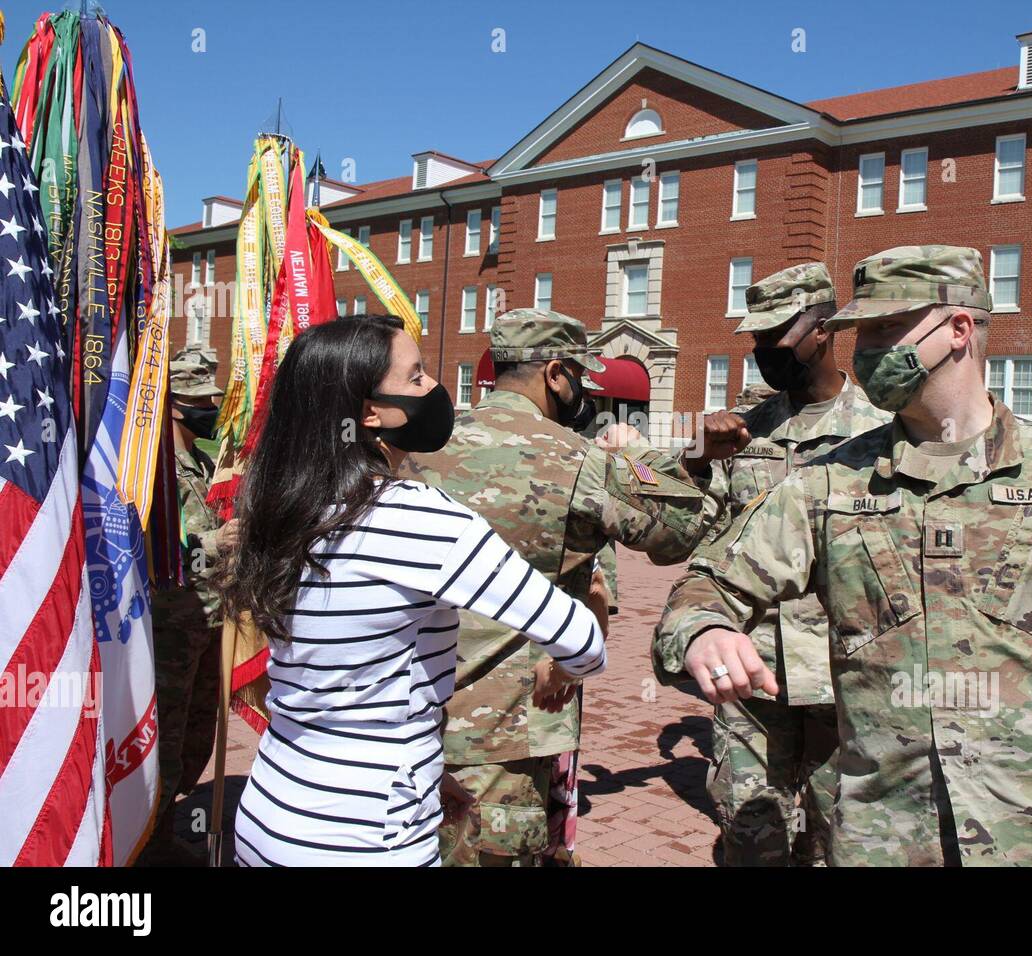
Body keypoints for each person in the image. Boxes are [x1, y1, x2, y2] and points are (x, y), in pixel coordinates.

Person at [654, 245, 1032, 867]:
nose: (866, 350)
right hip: (881, 841)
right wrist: (704, 627)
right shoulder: (831, 484)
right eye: (859, 331)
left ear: (958, 329)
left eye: (887, 328)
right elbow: (706, 583)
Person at [219, 315, 606, 866]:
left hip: (272, 811)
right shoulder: (420, 519)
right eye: (417, 375)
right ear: (371, 411)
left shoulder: (280, 504)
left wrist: (429, 770)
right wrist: (571, 655)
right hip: (368, 837)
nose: (435, 389)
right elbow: (582, 639)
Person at [405, 308, 749, 867]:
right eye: (580, 380)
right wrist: (698, 459)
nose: (583, 394)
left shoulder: (415, 448)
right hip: (513, 726)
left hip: (409, 711)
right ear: (556, 374)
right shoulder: (574, 458)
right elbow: (671, 535)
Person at [687, 262, 888, 867]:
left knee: (843, 836)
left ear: (822, 329)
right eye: (754, 338)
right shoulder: (745, 428)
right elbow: (686, 536)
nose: (762, 350)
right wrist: (698, 458)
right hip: (753, 669)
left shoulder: (883, 429)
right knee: (750, 837)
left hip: (844, 672)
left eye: (775, 333)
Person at [137, 358, 239, 866]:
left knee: (199, 734)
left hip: (209, 621)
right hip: (171, 626)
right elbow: (146, 547)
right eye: (200, 402)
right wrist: (212, 543)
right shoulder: (151, 468)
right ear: (172, 406)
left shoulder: (200, 463)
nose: (211, 409)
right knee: (166, 744)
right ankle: (149, 846)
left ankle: (168, 826)